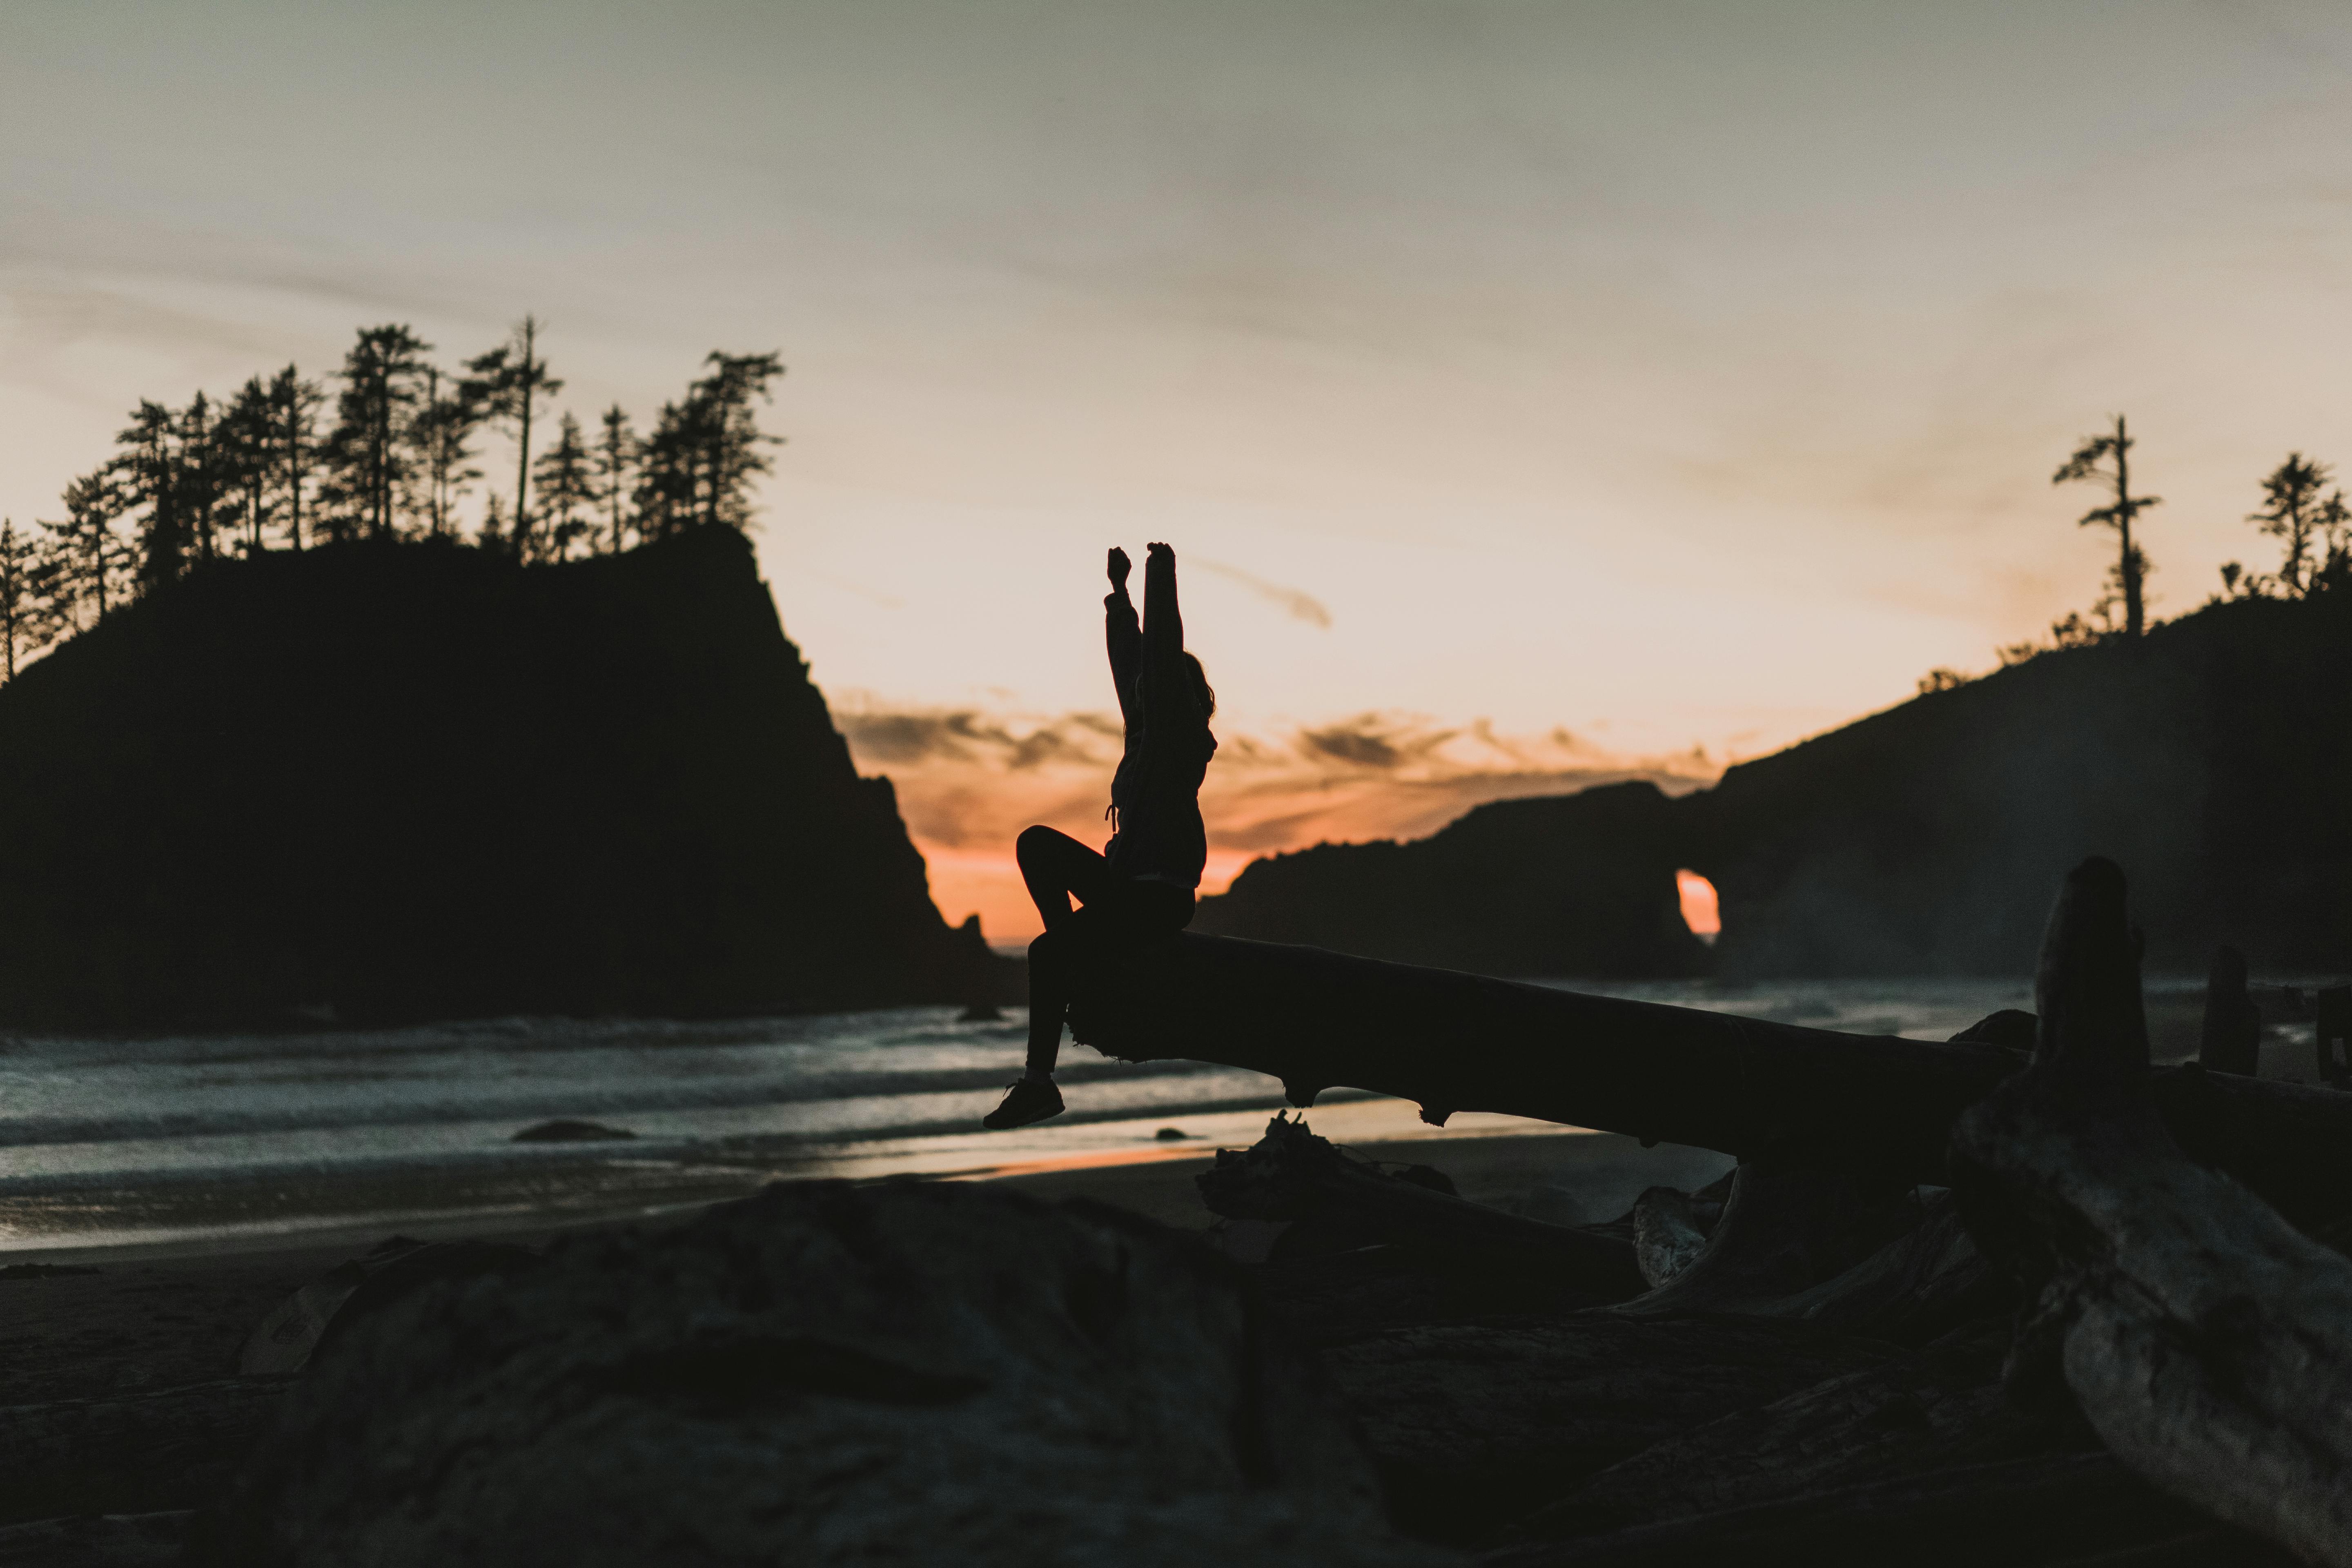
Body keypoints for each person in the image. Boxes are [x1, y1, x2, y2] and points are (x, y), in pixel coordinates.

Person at [983, 542, 1216, 1130]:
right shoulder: (1142, 737)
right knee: (1035, 843)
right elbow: (1132, 665)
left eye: (1150, 695)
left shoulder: (1177, 738)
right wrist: (1118, 595)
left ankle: (1040, 1084)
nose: (1136, 698)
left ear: (1174, 701)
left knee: (1043, 955)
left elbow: (1160, 660)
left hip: (1158, 897)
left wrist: (1159, 578)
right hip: (1125, 885)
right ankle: (1075, 961)